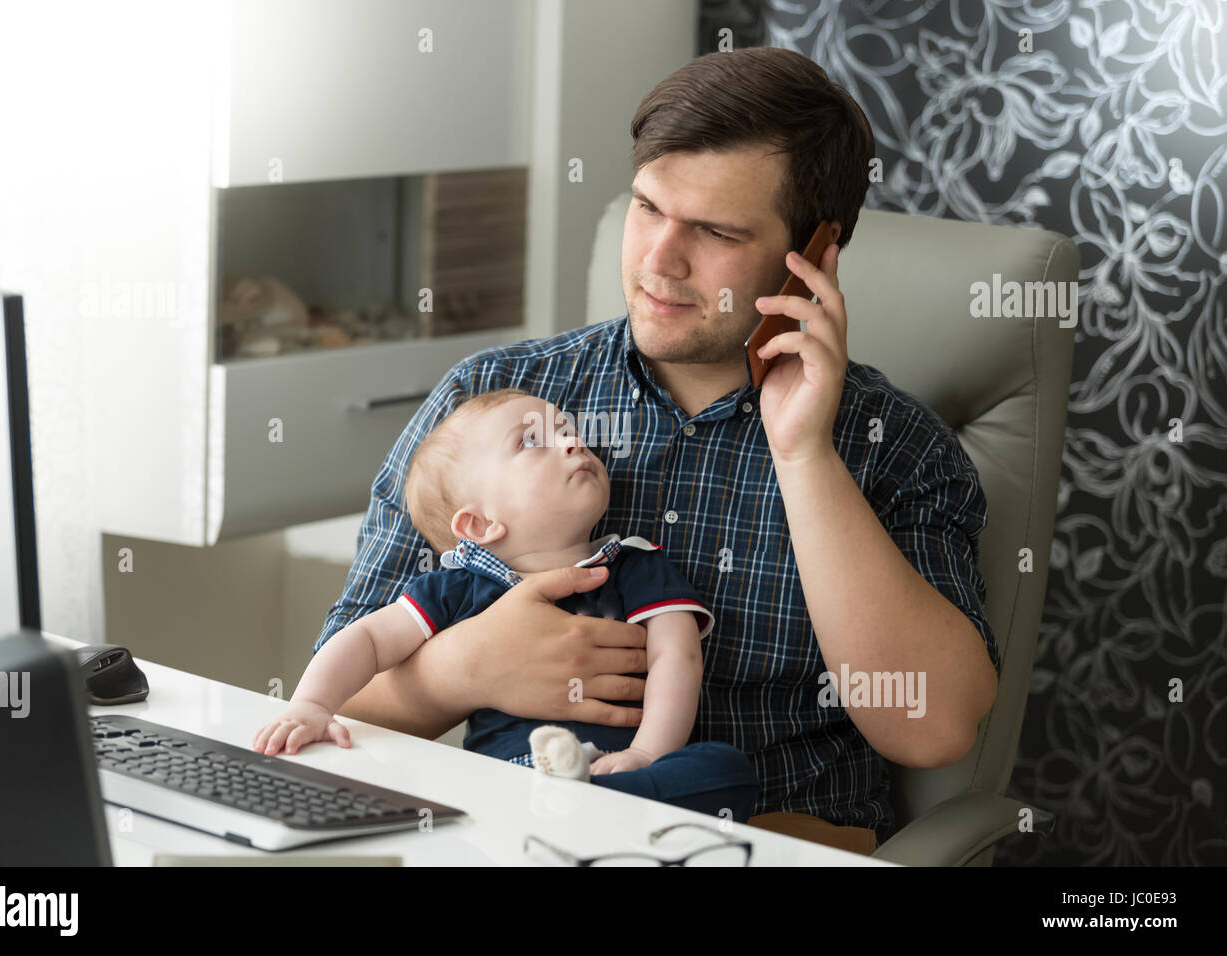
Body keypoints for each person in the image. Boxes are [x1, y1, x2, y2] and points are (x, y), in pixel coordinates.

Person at [314, 47, 1001, 854]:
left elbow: (934, 729)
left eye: (712, 230)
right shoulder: (492, 399)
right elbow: (335, 693)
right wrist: (466, 669)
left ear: (814, 256)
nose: (658, 262)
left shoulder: (895, 446)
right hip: (525, 837)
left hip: (765, 841)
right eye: (646, 208)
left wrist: (805, 454)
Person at [254, 389, 759, 820]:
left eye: (567, 429)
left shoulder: (634, 564)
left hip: (622, 772)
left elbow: (679, 657)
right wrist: (312, 705)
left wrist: (650, 753)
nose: (571, 441)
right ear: (480, 525)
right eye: (532, 441)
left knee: (726, 770)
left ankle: (591, 804)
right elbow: (365, 638)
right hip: (508, 781)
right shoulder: (459, 588)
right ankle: (567, 804)